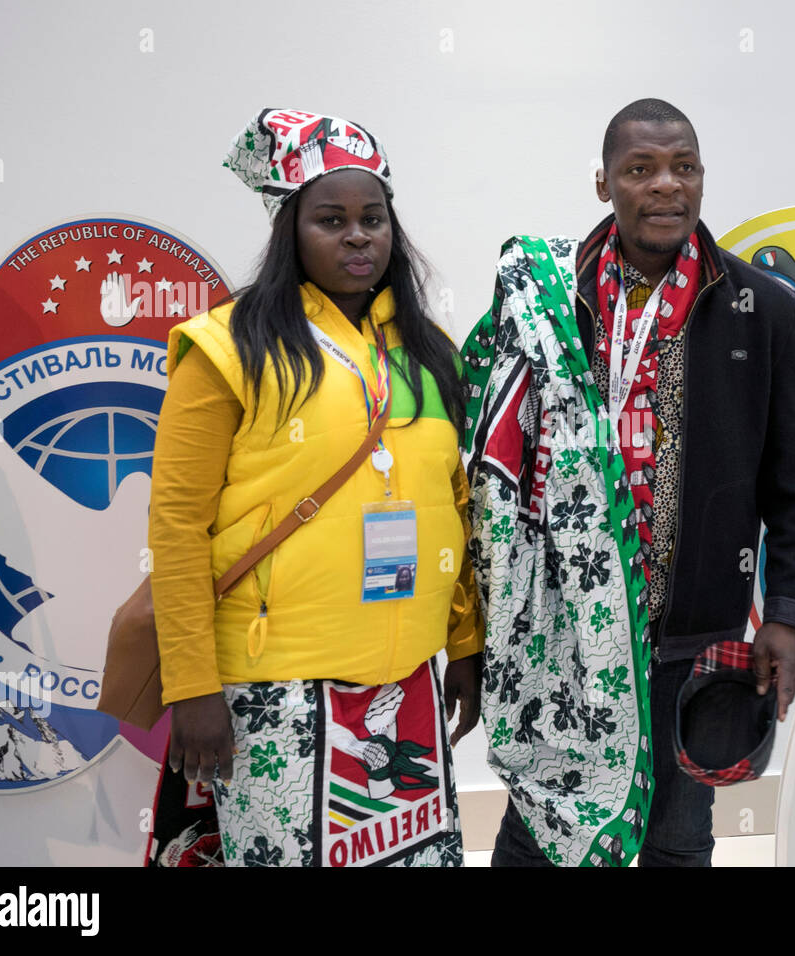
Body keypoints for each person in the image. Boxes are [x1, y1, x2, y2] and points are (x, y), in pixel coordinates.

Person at [469, 98, 795, 867]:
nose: (667, 186)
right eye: (641, 169)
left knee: (676, 840)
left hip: (690, 637)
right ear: (604, 183)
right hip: (563, 634)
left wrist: (790, 615)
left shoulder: (758, 310)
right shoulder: (548, 299)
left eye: (684, 168)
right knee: (539, 835)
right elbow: (492, 453)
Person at [148, 108, 482, 868]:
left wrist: (462, 643)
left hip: (406, 682)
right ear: (289, 230)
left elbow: (454, 508)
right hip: (275, 692)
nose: (358, 236)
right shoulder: (228, 347)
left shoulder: (430, 354)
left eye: (374, 218)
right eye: (331, 219)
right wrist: (192, 685)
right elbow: (175, 527)